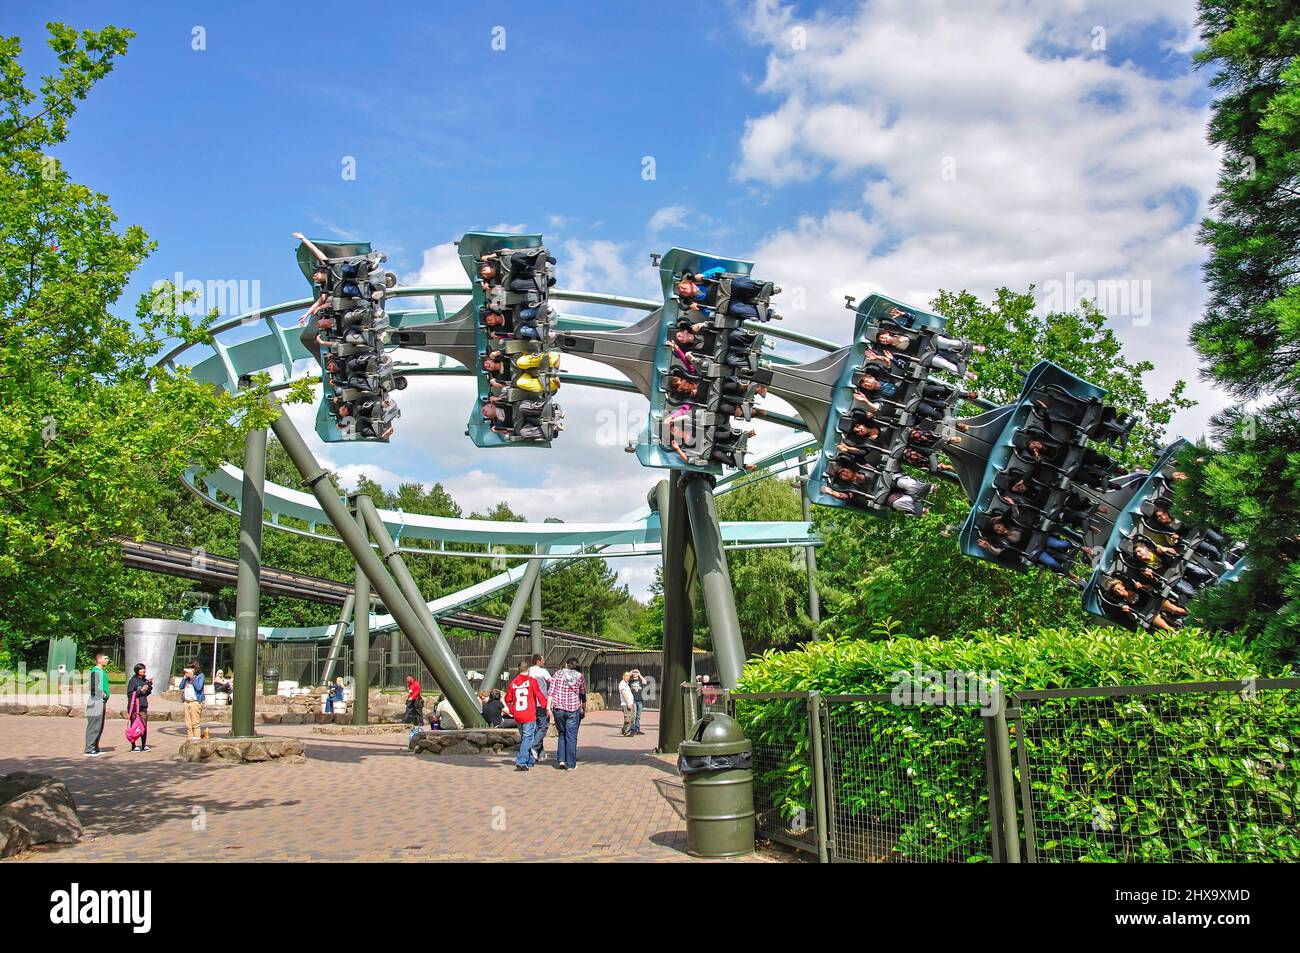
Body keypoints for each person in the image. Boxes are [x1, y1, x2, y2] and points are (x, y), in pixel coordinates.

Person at [506, 660, 547, 771]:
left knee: (526, 738)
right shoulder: (531, 681)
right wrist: (545, 706)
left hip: (518, 715)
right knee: (528, 737)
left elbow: (508, 699)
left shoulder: (513, 683)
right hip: (529, 714)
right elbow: (539, 694)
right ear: (528, 669)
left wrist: (512, 710)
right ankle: (521, 761)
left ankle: (530, 760)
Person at [548, 658, 587, 771]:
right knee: (571, 736)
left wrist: (548, 707)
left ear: (566, 664)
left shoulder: (558, 674)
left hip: (558, 708)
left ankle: (561, 759)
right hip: (573, 708)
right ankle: (570, 764)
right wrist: (583, 708)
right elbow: (582, 693)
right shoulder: (580, 676)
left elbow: (551, 691)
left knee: (561, 733)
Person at [84, 652, 111, 756]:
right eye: (105, 658)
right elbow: (93, 687)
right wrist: (103, 694)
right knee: (94, 725)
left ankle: (95, 747)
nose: (107, 660)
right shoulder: (95, 672)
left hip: (100, 701)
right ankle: (89, 749)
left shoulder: (101, 671)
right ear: (99, 660)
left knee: (99, 725)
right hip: (95, 701)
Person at [125, 662, 153, 752]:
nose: (143, 670)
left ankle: (144, 745)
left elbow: (146, 693)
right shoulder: (133, 680)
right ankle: (133, 746)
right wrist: (140, 691)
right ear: (137, 671)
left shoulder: (144, 680)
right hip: (134, 707)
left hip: (143, 705)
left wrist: (149, 686)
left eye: (144, 668)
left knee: (144, 726)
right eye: (141, 669)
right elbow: (129, 694)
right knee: (134, 725)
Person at [528, 654, 552, 761]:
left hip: (531, 703)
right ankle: (533, 747)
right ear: (538, 661)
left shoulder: (528, 671)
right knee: (543, 727)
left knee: (536, 728)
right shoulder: (543, 671)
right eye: (543, 660)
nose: (544, 662)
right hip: (541, 702)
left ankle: (540, 754)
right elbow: (551, 681)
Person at [179, 660, 205, 742]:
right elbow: (180, 686)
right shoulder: (187, 677)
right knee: (188, 724)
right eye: (189, 667)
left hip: (195, 702)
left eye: (191, 667)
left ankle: (196, 741)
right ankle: (190, 741)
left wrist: (192, 678)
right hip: (187, 702)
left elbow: (199, 687)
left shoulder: (200, 676)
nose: (189, 669)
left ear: (195, 668)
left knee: (195, 723)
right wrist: (184, 678)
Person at [628, 669, 648, 736]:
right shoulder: (630, 681)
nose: (635, 673)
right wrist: (630, 673)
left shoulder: (640, 680)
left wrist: (639, 675)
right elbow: (625, 681)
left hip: (640, 700)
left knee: (638, 716)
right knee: (633, 716)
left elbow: (645, 682)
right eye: (634, 672)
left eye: (636, 672)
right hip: (633, 700)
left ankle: (637, 729)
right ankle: (633, 730)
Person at [618, 672, 636, 737]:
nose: (628, 677)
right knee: (627, 719)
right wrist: (628, 703)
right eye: (626, 676)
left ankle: (624, 730)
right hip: (626, 704)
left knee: (632, 718)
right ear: (623, 676)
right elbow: (624, 694)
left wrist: (631, 673)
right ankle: (626, 732)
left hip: (631, 703)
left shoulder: (626, 683)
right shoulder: (622, 684)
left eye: (628, 676)